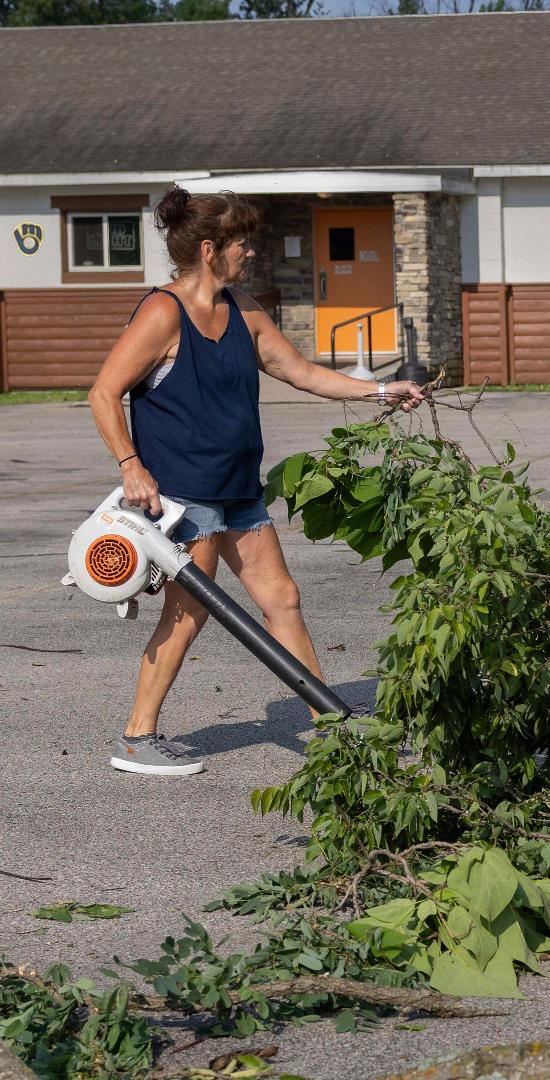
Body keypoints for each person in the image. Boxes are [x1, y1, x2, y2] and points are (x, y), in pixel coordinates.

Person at [87, 186, 425, 777]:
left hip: (240, 488)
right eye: (242, 243)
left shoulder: (243, 310)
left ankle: (331, 730)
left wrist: (380, 390)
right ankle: (136, 738)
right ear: (210, 249)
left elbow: (301, 372)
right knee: (188, 615)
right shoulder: (163, 313)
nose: (251, 252)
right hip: (185, 497)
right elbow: (103, 392)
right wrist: (130, 464)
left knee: (282, 598)